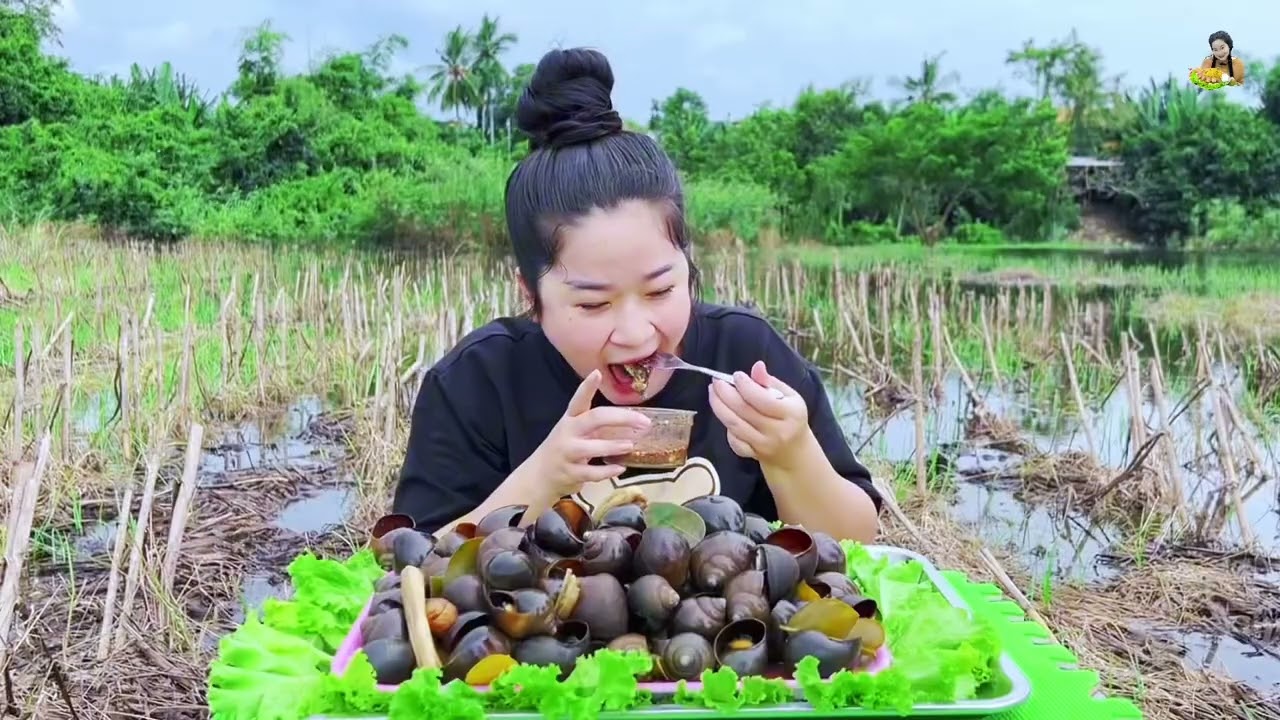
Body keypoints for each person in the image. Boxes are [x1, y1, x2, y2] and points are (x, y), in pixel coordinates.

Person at [392, 47, 881, 543]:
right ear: (531, 296)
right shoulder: (477, 382)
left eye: (661, 289)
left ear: (687, 268)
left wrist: (792, 455)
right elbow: (411, 563)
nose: (634, 333)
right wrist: (541, 478)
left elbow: (860, 542)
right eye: (593, 303)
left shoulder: (744, 354)